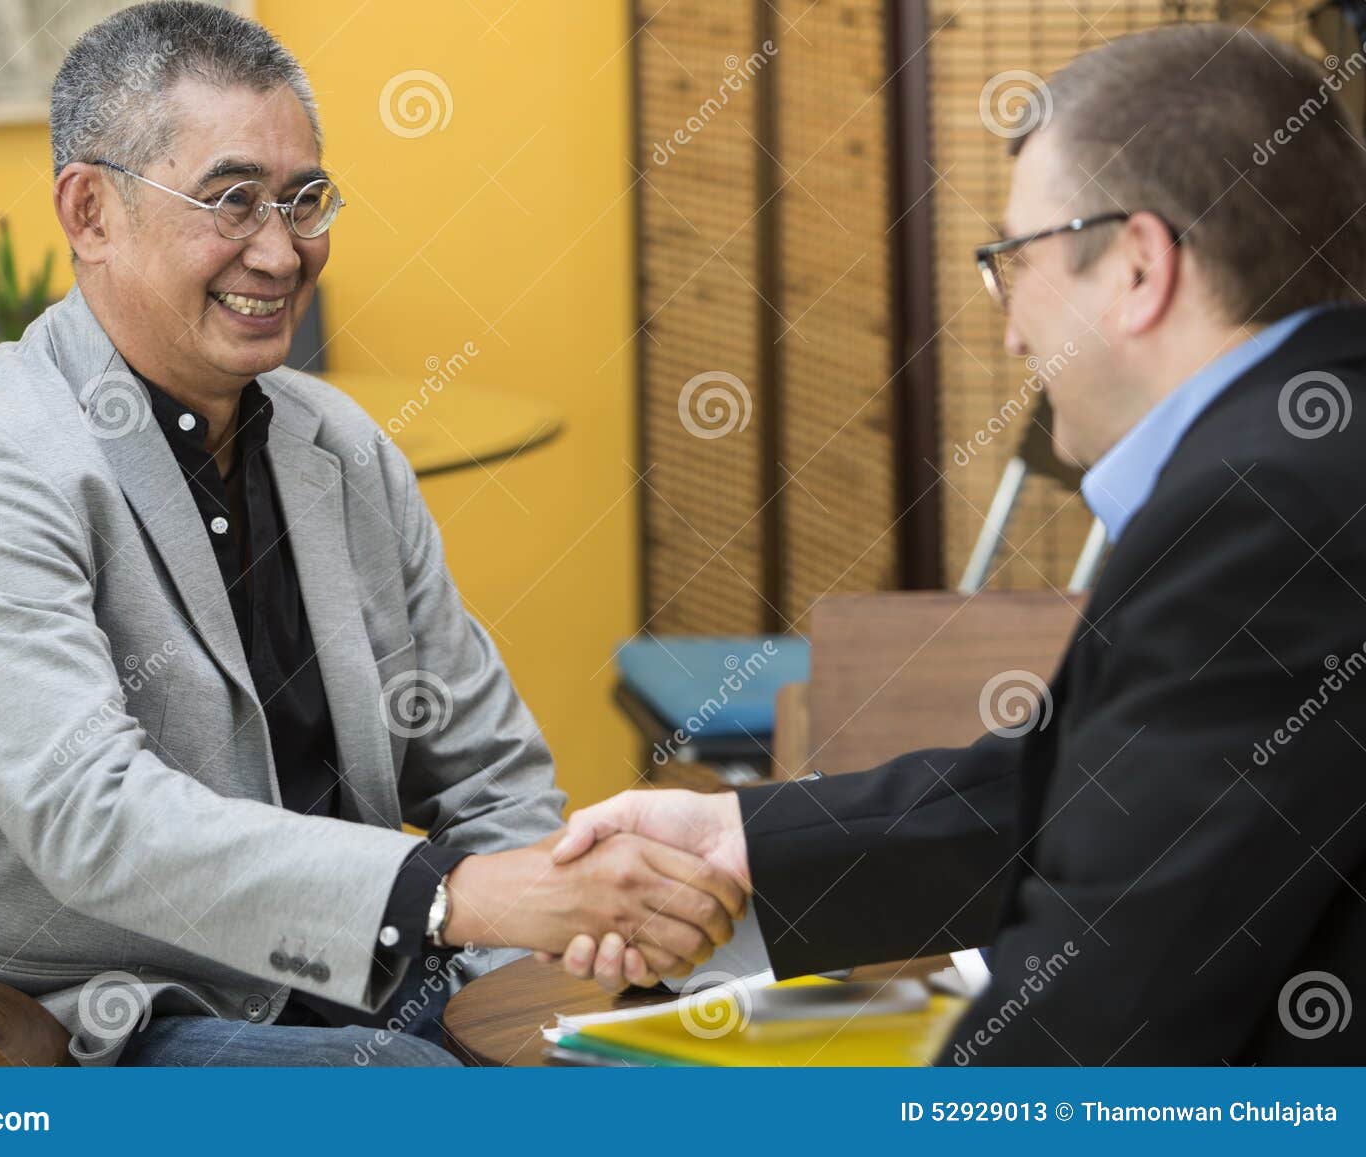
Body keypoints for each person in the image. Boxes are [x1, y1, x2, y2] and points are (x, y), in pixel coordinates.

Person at [0, 0, 740, 1068]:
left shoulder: (343, 447)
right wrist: (449, 898)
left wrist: (582, 921)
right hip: (71, 1021)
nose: (279, 252)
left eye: (304, 199)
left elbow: (486, 773)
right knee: (419, 1089)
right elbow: (94, 818)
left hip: (344, 995)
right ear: (90, 212)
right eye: (232, 201)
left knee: (666, 1052)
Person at [550, 23, 1366, 1064]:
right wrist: (741, 837)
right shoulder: (1308, 448)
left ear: (1135, 266)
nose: (1012, 330)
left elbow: (1098, 1027)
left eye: (1012, 263)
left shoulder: (1268, 504)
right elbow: (1095, 791)